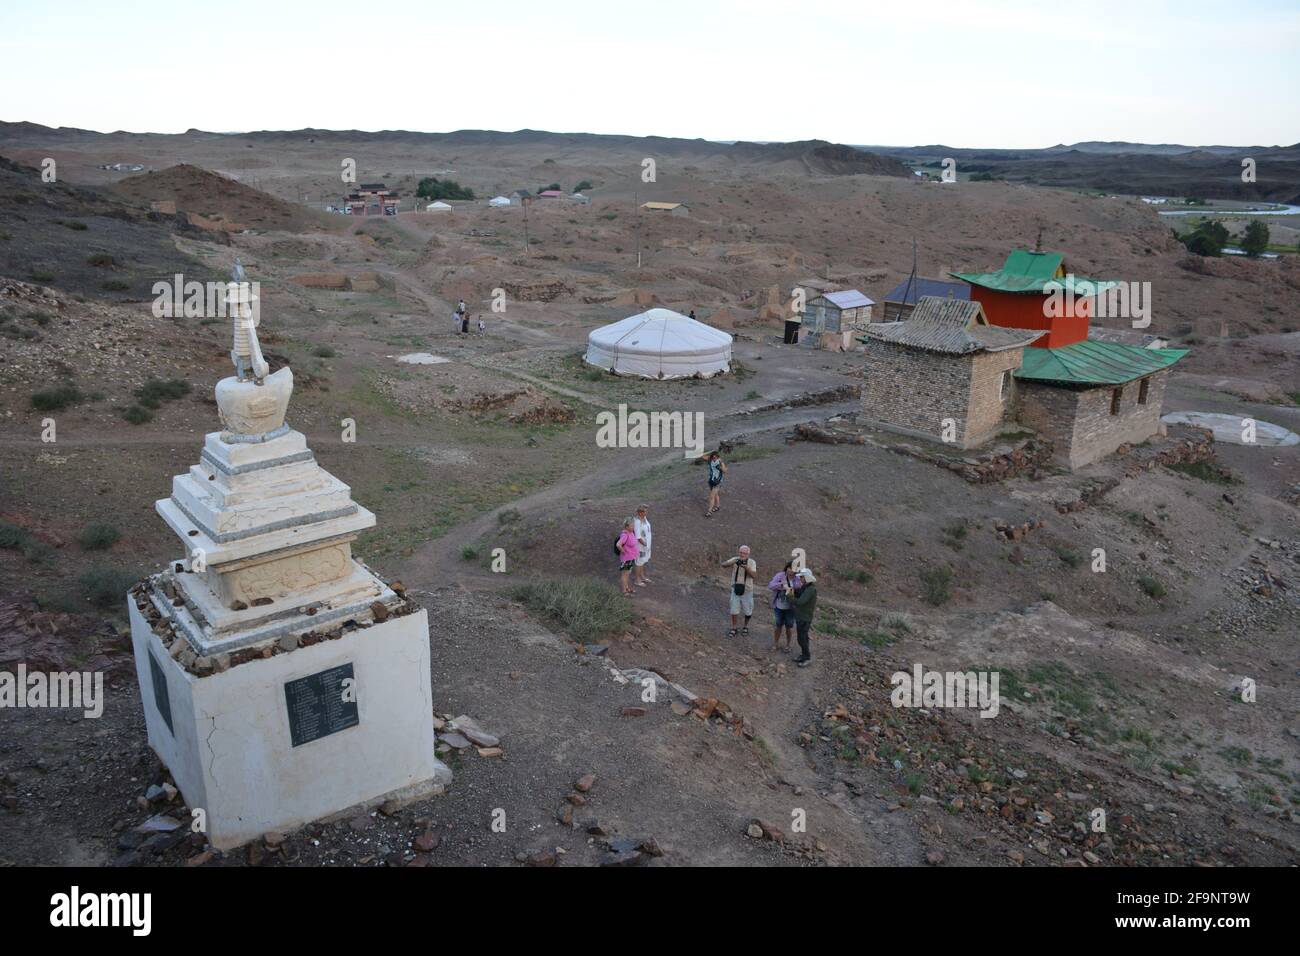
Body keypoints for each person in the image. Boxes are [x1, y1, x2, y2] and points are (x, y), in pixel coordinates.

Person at [721, 545, 757, 638]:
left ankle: (745, 626)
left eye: (744, 553)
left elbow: (754, 575)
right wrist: (732, 562)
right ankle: (734, 628)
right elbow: (723, 565)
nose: (742, 555)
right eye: (741, 552)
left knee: (748, 610)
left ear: (748, 554)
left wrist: (746, 567)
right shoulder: (735, 559)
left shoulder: (752, 562)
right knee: (733, 609)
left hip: (747, 590)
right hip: (735, 588)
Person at [768, 562, 798, 652]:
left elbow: (800, 587)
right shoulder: (780, 575)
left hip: (790, 608)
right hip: (779, 606)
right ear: (787, 567)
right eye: (789, 567)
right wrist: (781, 585)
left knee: (789, 627)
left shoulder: (797, 579)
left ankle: (788, 645)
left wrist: (792, 588)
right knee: (778, 626)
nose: (791, 570)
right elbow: (771, 585)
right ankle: (775, 644)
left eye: (793, 569)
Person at [791, 568, 818, 667]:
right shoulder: (806, 587)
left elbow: (800, 602)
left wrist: (790, 596)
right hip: (802, 617)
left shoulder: (810, 589)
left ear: (806, 577)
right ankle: (804, 655)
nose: (800, 578)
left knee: (802, 638)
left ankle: (807, 657)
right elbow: (798, 593)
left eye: (802, 577)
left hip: (804, 618)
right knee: (803, 637)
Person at [616, 518, 639, 595]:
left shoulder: (631, 533)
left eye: (633, 525)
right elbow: (618, 544)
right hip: (626, 558)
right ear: (626, 527)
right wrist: (623, 551)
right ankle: (624, 591)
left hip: (631, 558)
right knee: (624, 574)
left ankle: (627, 588)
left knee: (628, 573)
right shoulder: (625, 535)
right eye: (631, 526)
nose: (633, 527)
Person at [633, 504, 653, 586]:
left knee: (643, 561)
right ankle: (637, 580)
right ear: (640, 513)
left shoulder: (644, 518)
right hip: (641, 547)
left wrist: (648, 545)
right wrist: (645, 545)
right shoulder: (637, 522)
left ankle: (642, 576)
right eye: (645, 511)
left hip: (646, 545)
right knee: (639, 562)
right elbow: (638, 537)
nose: (646, 513)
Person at [705, 450, 726, 516]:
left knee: (711, 496)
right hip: (711, 480)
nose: (714, 459)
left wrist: (722, 463)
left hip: (717, 482)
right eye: (713, 457)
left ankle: (709, 511)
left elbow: (725, 471)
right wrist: (706, 453)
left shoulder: (719, 463)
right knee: (716, 494)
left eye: (715, 457)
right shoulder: (710, 460)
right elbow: (703, 457)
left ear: (717, 457)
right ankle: (717, 506)